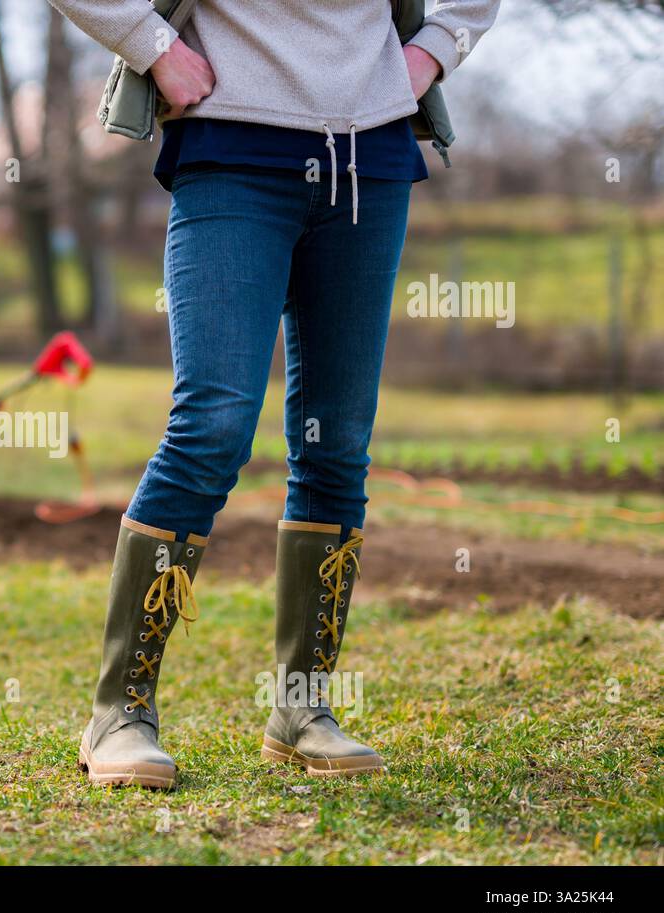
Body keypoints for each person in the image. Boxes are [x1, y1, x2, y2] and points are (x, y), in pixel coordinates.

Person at [49, 0, 501, 788]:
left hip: (370, 159)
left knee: (338, 442)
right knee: (212, 427)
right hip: (232, 148)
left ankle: (302, 708)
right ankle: (119, 711)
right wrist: (152, 45)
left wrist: (433, 50)